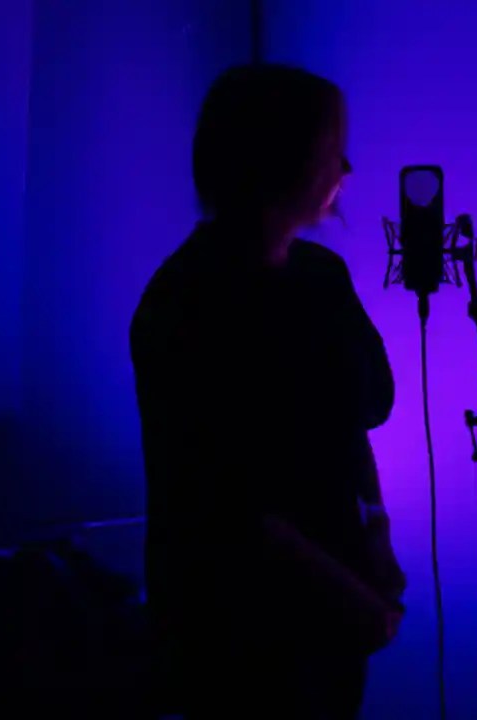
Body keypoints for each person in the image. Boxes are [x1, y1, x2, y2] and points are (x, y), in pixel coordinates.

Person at [130, 64, 405, 719]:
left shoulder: (319, 277)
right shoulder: (186, 305)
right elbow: (228, 510)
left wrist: (375, 532)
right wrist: (355, 595)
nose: (345, 165)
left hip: (331, 624)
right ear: (284, 159)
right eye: (329, 145)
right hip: (239, 637)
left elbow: (361, 418)